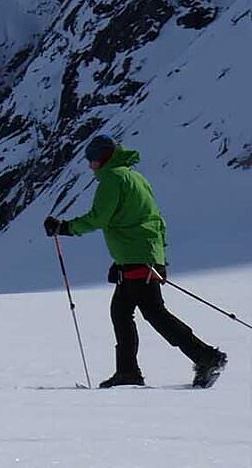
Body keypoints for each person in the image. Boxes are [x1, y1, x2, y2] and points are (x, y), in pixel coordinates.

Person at [46, 136, 227, 389]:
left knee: (154, 314)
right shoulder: (136, 178)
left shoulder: (113, 179)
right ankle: (128, 371)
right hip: (141, 255)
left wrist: (64, 228)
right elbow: (152, 218)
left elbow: (100, 218)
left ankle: (205, 356)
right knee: (121, 312)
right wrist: (151, 258)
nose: (90, 165)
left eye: (93, 159)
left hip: (137, 257)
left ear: (104, 158)